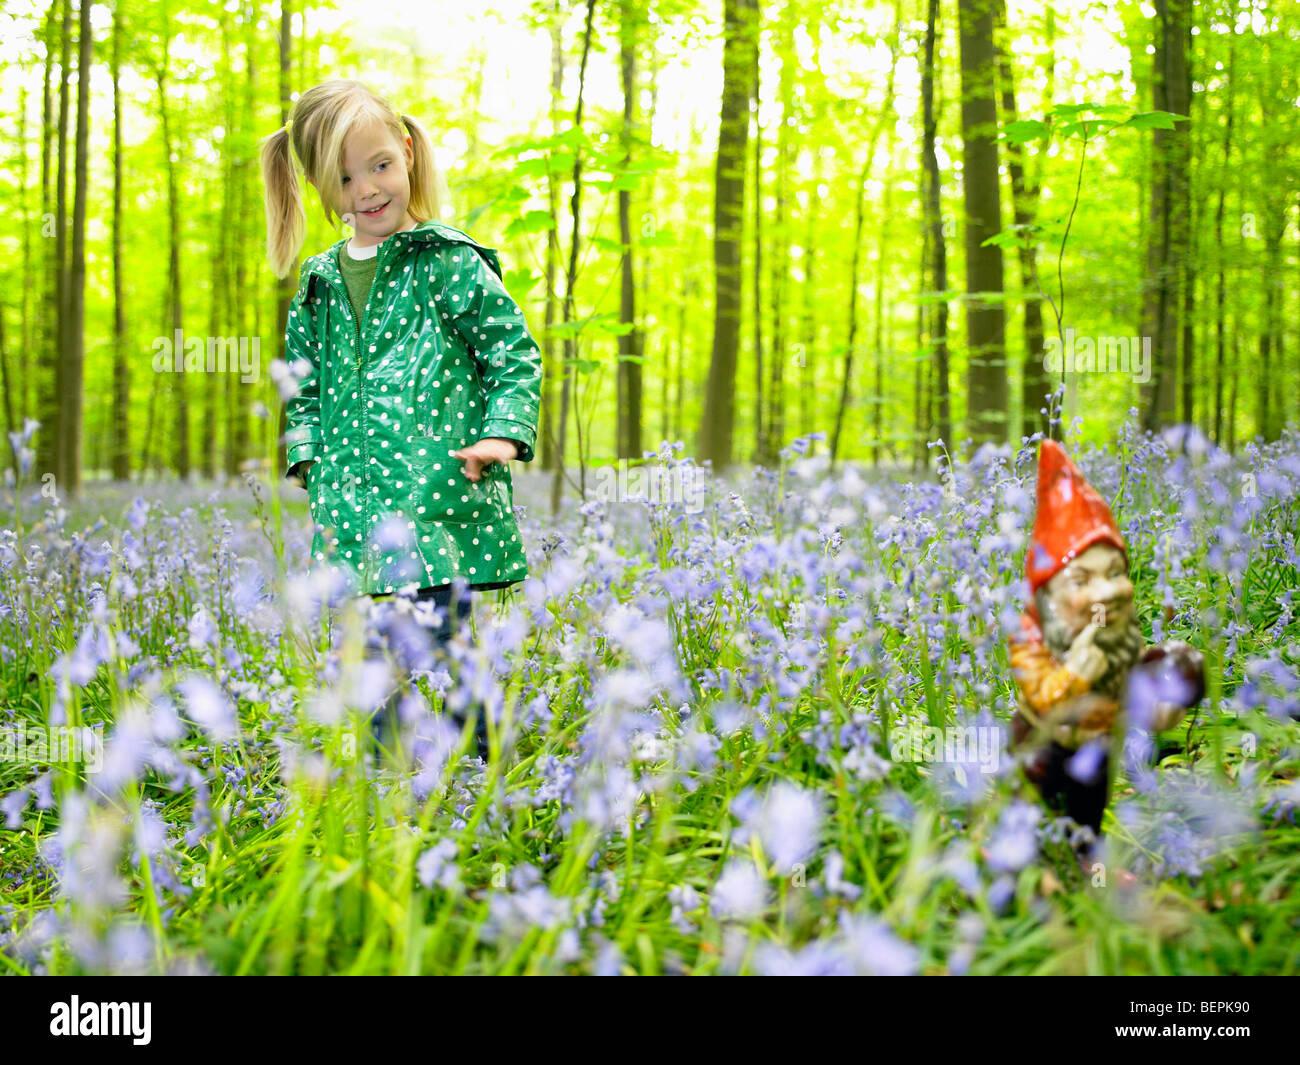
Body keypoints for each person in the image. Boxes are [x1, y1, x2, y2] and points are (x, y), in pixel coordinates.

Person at [259, 78, 542, 761]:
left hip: (437, 499)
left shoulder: (447, 261)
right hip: (352, 510)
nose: (367, 189)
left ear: (408, 153)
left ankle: (481, 784)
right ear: (319, 185)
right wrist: (308, 456)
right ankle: (394, 798)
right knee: (371, 660)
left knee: (447, 646)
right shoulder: (320, 282)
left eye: (379, 165)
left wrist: (504, 433)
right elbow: (303, 382)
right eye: (346, 177)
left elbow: (513, 353)